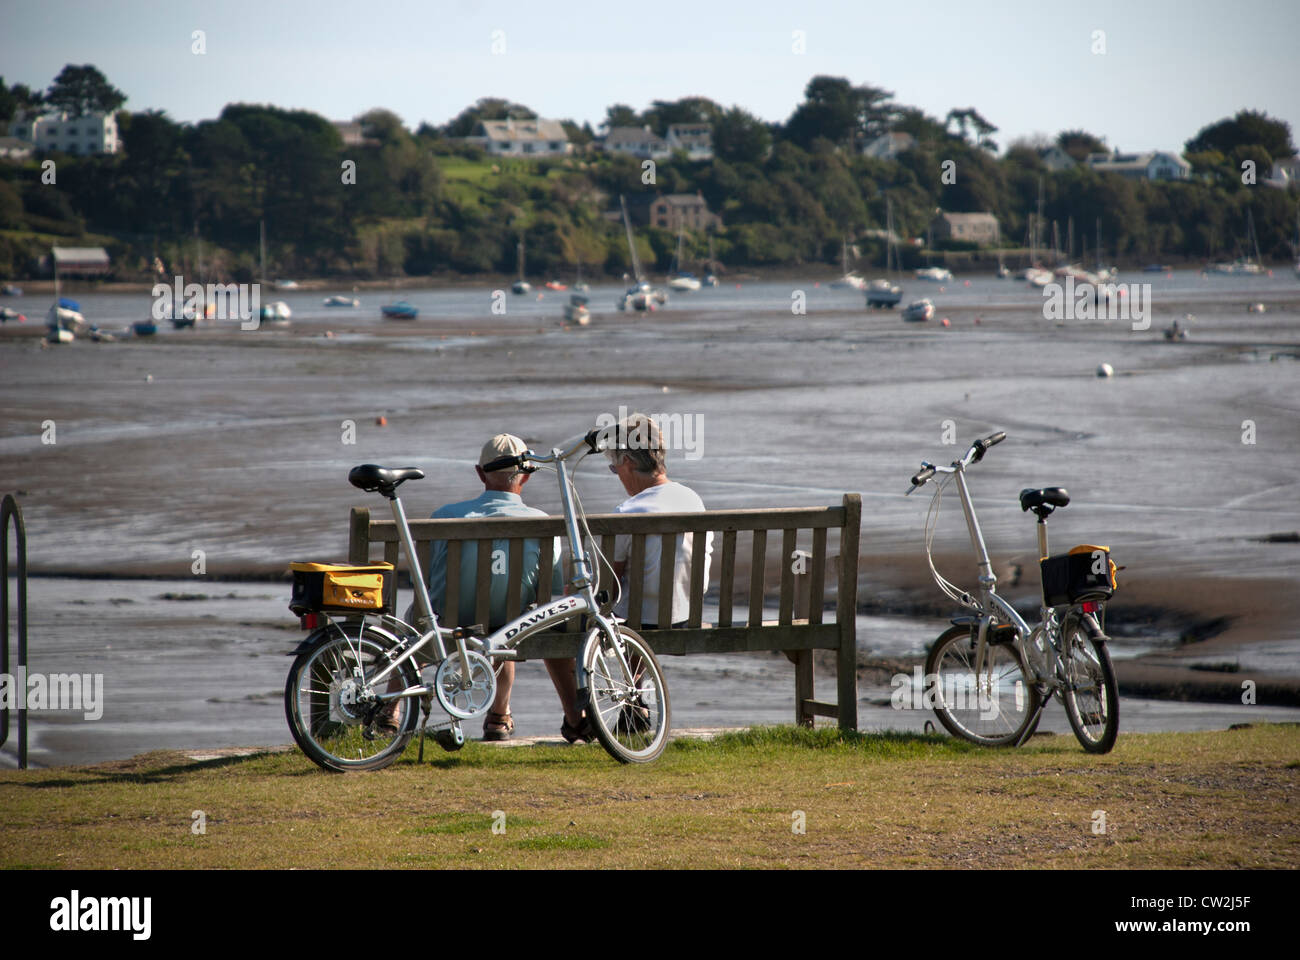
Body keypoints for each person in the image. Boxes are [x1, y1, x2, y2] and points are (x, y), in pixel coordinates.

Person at [414, 433, 579, 741]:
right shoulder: (542, 523)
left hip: (449, 624)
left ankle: (389, 714)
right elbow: (553, 588)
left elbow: (426, 578)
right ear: (526, 477)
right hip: (514, 627)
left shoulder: (446, 517)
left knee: (418, 614)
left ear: (480, 474)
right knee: (510, 619)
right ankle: (502, 717)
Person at [605, 412, 713, 629]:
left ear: (626, 462)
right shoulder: (693, 500)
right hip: (685, 616)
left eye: (613, 468)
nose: (617, 475)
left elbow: (610, 589)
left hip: (638, 623)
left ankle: (633, 663)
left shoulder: (627, 512)